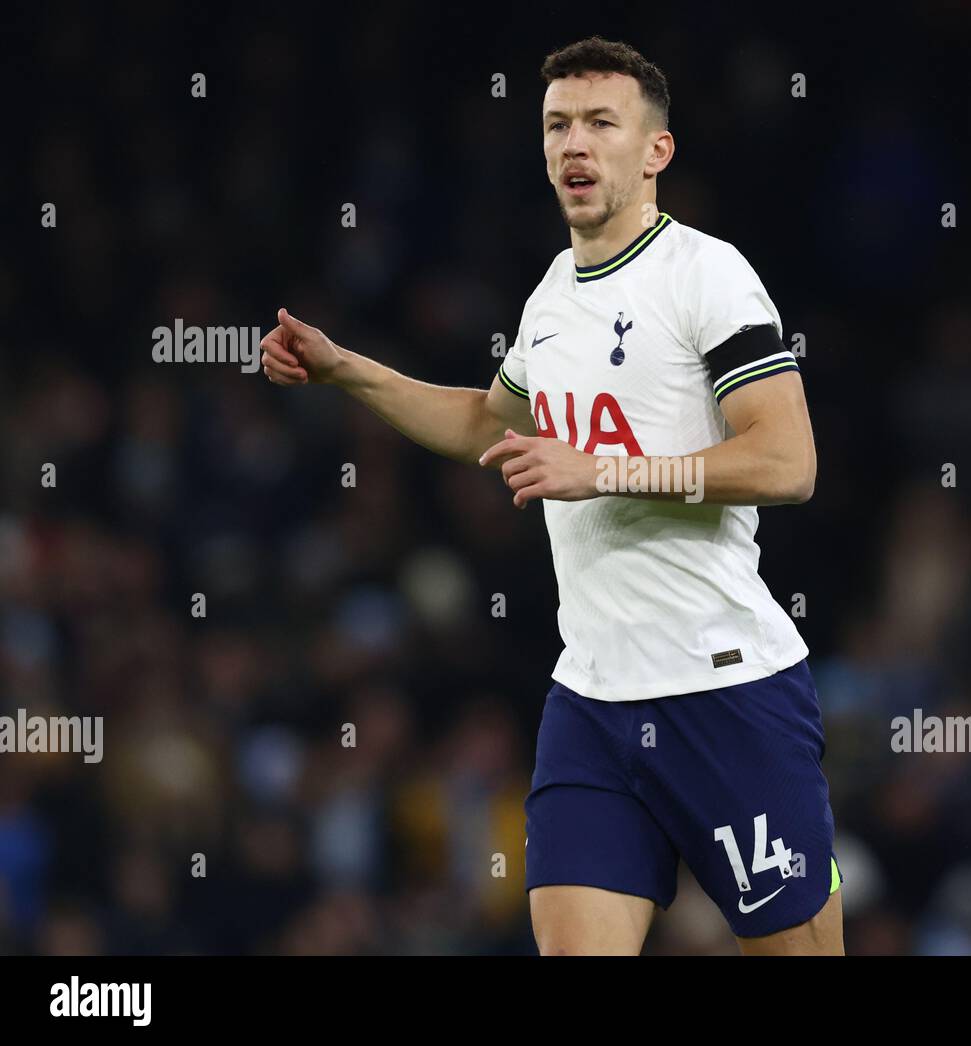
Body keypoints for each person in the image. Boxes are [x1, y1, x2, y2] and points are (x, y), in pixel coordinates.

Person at [260, 35, 841, 956]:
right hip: (594, 701)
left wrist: (602, 471)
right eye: (558, 124)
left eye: (601, 123)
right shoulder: (551, 298)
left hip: (728, 691)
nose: (575, 143)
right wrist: (345, 371)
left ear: (656, 151)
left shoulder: (706, 274)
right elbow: (489, 425)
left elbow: (788, 462)